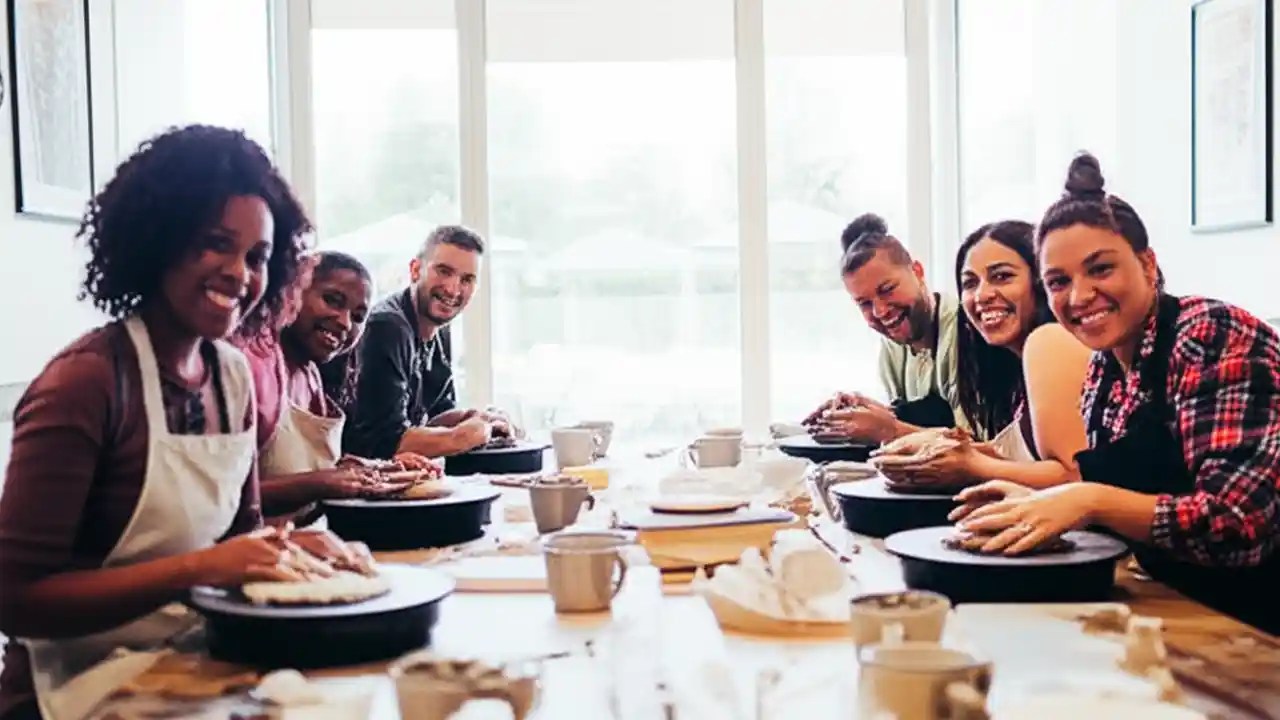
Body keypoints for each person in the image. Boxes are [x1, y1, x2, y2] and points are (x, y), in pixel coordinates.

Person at [0, 126, 367, 720]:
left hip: (191, 667)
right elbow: (16, 601)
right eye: (213, 244)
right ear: (158, 239)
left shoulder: (231, 377)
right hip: (74, 693)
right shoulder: (85, 383)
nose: (239, 273)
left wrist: (292, 544)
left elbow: (241, 538)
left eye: (257, 257)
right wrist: (198, 570)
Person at [952, 153, 1280, 634]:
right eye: (1059, 282)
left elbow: (1239, 526)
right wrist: (1033, 501)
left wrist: (1088, 501)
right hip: (1188, 608)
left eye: (1100, 269)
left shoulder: (1212, 335)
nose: (1080, 297)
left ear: (1148, 264)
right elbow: (1120, 497)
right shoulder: (1104, 368)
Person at [871, 220, 1092, 490]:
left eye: (1002, 276)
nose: (982, 295)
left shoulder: (1049, 341)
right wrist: (936, 445)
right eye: (970, 283)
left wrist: (972, 465)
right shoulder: (1009, 366)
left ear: (1041, 281)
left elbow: (1072, 476)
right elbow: (1021, 461)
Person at [237, 251, 435, 525]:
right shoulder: (251, 367)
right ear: (292, 293)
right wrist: (322, 483)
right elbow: (225, 498)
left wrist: (368, 469)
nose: (344, 322)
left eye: (357, 316)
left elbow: (305, 473)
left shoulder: (310, 375)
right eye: (332, 300)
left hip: (302, 545)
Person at [340, 225, 514, 460]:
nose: (453, 289)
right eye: (443, 271)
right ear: (415, 270)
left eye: (467, 279)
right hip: (351, 481)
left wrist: (476, 417)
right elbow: (383, 443)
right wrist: (464, 437)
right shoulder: (387, 327)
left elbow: (435, 417)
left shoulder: (440, 329)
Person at [806, 213, 964, 442]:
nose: (881, 311)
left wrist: (887, 428)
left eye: (888, 289)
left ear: (918, 272)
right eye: (864, 303)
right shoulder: (892, 347)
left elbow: (980, 445)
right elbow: (918, 422)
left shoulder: (967, 334)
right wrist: (862, 411)